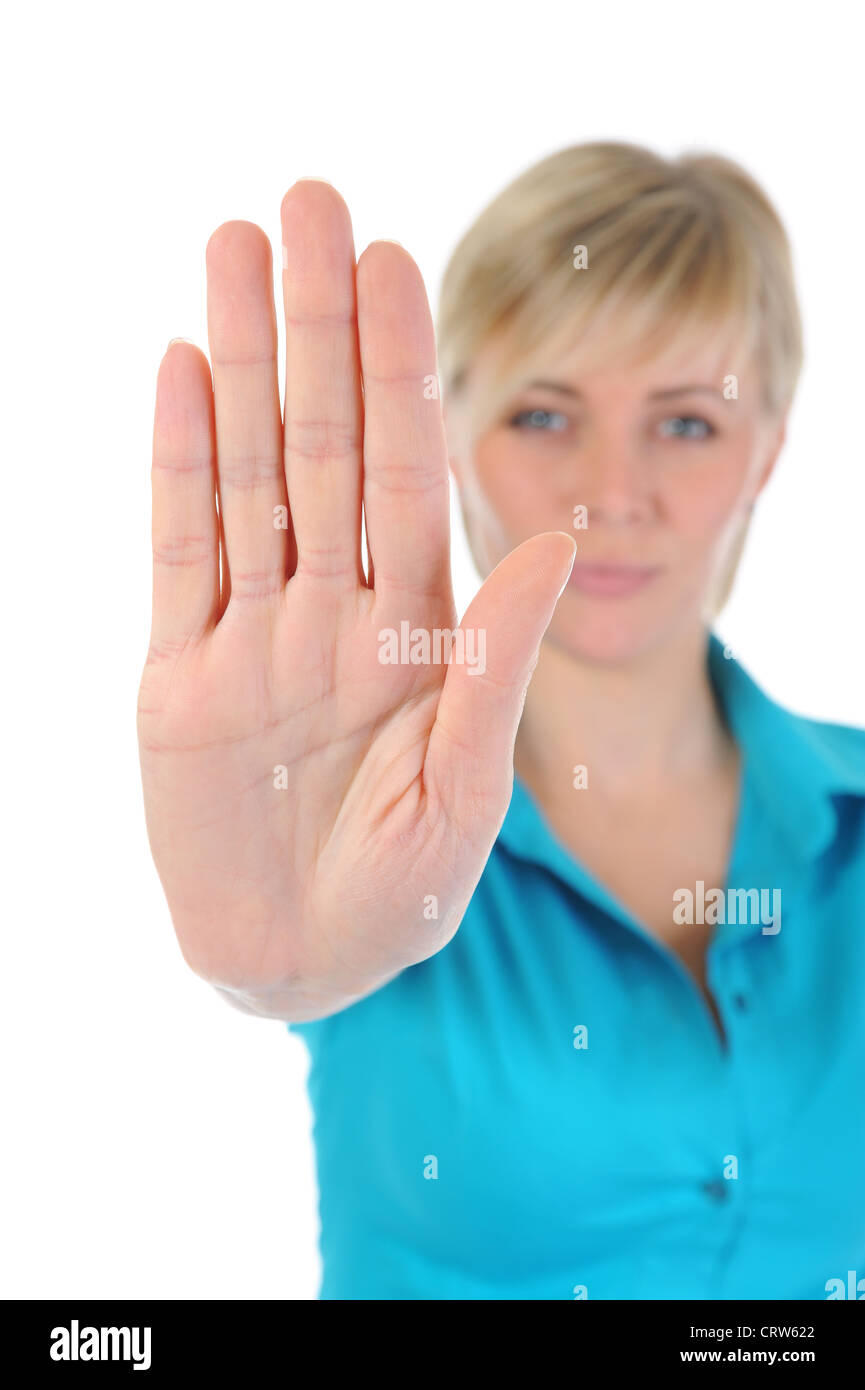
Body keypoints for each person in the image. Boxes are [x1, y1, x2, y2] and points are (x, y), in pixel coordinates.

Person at [138, 142, 865, 1300]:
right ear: (448, 442)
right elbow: (296, 972)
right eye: (542, 416)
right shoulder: (361, 820)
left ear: (768, 449)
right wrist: (275, 968)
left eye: (684, 423)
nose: (612, 493)